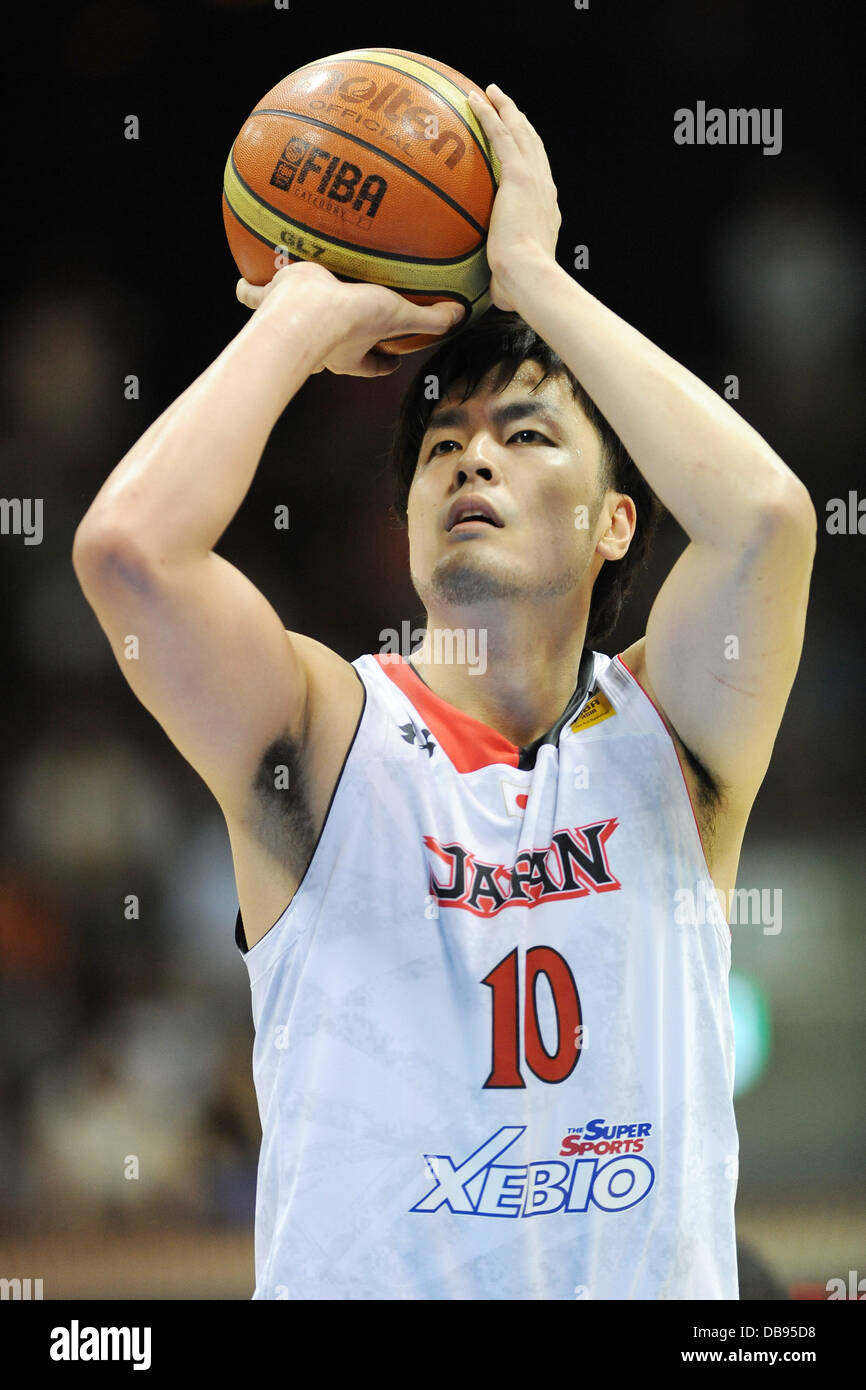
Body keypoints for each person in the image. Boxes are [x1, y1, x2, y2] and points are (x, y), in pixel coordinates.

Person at [73, 83, 816, 1299]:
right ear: (408, 519)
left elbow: (765, 521)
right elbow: (128, 556)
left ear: (614, 522)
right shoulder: (323, 737)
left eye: (527, 435)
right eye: (440, 444)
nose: (473, 452)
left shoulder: (671, 736)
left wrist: (530, 275)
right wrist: (303, 308)